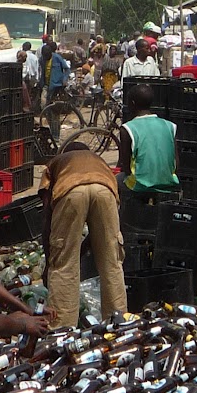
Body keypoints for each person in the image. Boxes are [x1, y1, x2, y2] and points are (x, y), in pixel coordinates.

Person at [39, 140, 126, 328]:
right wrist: (82, 248)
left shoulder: (56, 163)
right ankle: (117, 324)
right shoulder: (99, 161)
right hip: (105, 190)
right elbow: (100, 234)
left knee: (63, 266)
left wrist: (51, 259)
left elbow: (47, 218)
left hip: (70, 191)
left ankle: (63, 328)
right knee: (112, 263)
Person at [117, 83, 178, 200]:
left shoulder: (128, 129)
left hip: (139, 185)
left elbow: (126, 168)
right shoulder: (170, 126)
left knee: (115, 181)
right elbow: (176, 163)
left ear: (132, 104)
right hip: (169, 182)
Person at [21, 43, 40, 112]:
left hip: (25, 79)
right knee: (29, 95)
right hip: (31, 79)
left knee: (25, 96)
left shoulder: (21, 55)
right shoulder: (34, 57)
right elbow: (36, 70)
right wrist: (36, 79)